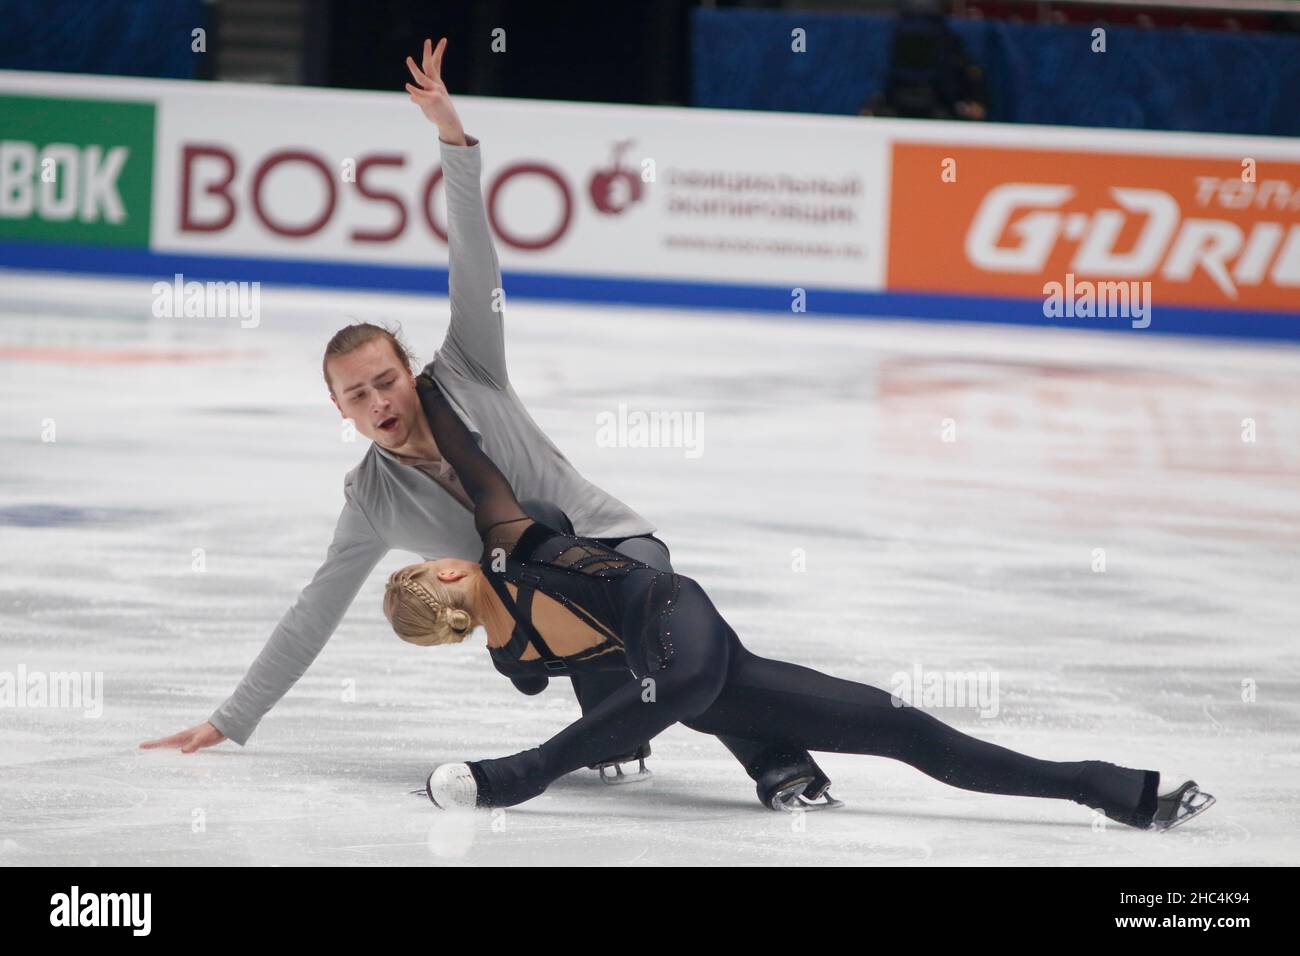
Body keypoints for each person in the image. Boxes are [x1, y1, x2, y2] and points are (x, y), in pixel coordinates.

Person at [140, 36, 833, 810]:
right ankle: (611, 709)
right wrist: (234, 719)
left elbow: (473, 256)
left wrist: (451, 138)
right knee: (543, 605)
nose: (379, 403)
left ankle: (781, 763)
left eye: (386, 380)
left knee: (674, 659)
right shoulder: (371, 498)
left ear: (409, 371)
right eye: (358, 395)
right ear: (338, 409)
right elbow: (315, 608)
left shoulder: (467, 367)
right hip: (535, 593)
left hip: (615, 544)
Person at [384, 369, 1216, 832]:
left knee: (674, 690)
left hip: (676, 617)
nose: (445, 555)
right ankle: (1106, 786)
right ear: (449, 577)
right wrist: (427, 396)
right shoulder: (504, 549)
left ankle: (517, 778)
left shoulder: (512, 655)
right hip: (685, 669)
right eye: (433, 564)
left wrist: (425, 390)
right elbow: (477, 465)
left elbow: (556, 658)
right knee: (901, 727)